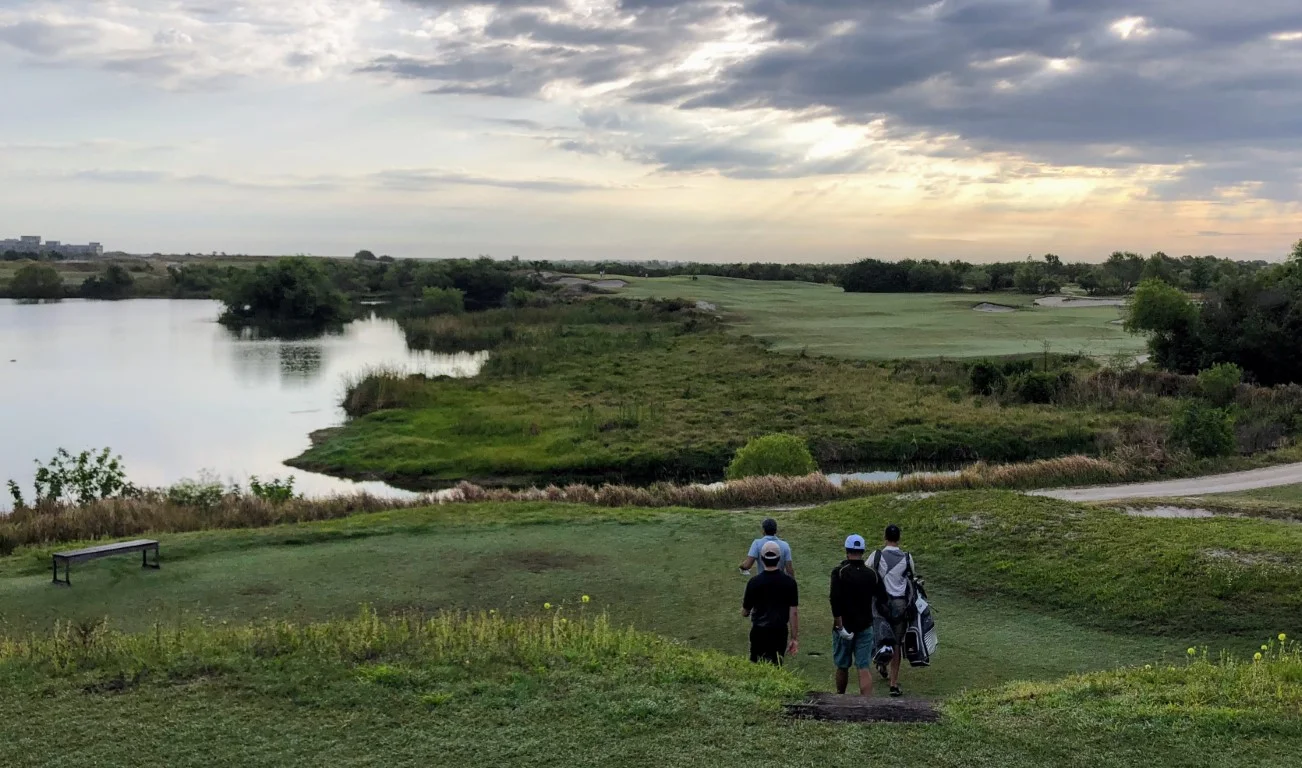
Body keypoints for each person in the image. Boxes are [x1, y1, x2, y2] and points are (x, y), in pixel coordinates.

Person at [867, 524, 921, 697]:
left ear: (885, 537)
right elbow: (913, 577)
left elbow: (869, 573)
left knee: (880, 636)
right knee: (897, 643)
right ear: (899, 539)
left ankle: (881, 663)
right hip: (900, 605)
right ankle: (893, 683)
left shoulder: (876, 556)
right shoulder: (907, 558)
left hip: (880, 603)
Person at [829, 534, 879, 695]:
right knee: (863, 666)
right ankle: (866, 704)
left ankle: (840, 698)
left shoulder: (840, 572)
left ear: (847, 550)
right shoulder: (871, 574)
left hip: (845, 626)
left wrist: (839, 624)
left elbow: (834, 599)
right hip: (865, 625)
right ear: (863, 551)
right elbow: (882, 597)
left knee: (842, 665)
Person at [742, 541, 800, 664]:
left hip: (759, 630)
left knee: (756, 664)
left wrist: (746, 612)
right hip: (779, 631)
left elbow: (745, 611)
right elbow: (793, 613)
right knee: (777, 664)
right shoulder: (789, 582)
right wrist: (794, 638)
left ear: (762, 559)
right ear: (779, 559)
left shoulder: (754, 582)